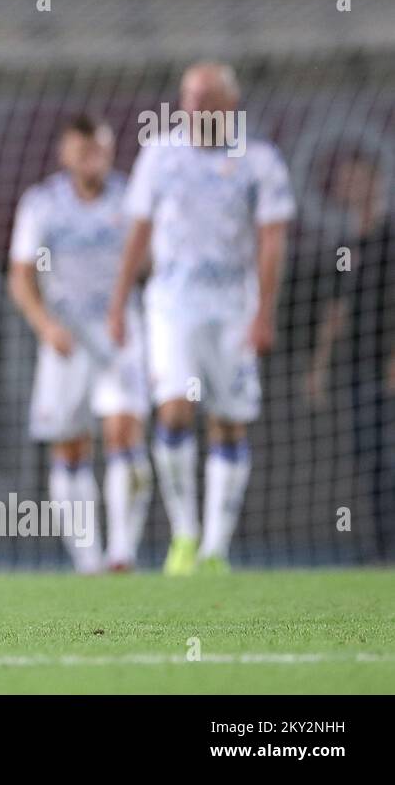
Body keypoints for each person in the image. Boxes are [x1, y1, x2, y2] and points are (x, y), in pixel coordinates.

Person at [109, 62, 295, 575]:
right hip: (173, 305)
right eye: (189, 97)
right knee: (172, 410)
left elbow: (272, 240)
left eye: (205, 97)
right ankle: (185, 534)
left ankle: (216, 548)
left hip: (234, 306)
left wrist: (264, 311)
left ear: (229, 105)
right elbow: (138, 233)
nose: (193, 107)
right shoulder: (161, 155)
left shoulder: (259, 161)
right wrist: (118, 303)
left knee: (230, 423)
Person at [8, 115, 151, 573]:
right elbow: (20, 275)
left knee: (123, 431)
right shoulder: (42, 204)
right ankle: (87, 560)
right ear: (65, 155)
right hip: (66, 335)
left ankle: (122, 553)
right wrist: (45, 325)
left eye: (101, 150)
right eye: (84, 150)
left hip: (118, 330)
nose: (94, 158)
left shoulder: (131, 198)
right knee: (70, 446)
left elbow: (152, 261)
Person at [307, 151, 395, 561]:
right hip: (358, 365)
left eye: (354, 179)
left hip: (387, 361)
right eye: (342, 181)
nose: (346, 188)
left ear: (374, 180)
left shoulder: (390, 235)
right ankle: (382, 548)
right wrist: (319, 367)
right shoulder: (347, 244)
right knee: (371, 457)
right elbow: (337, 309)